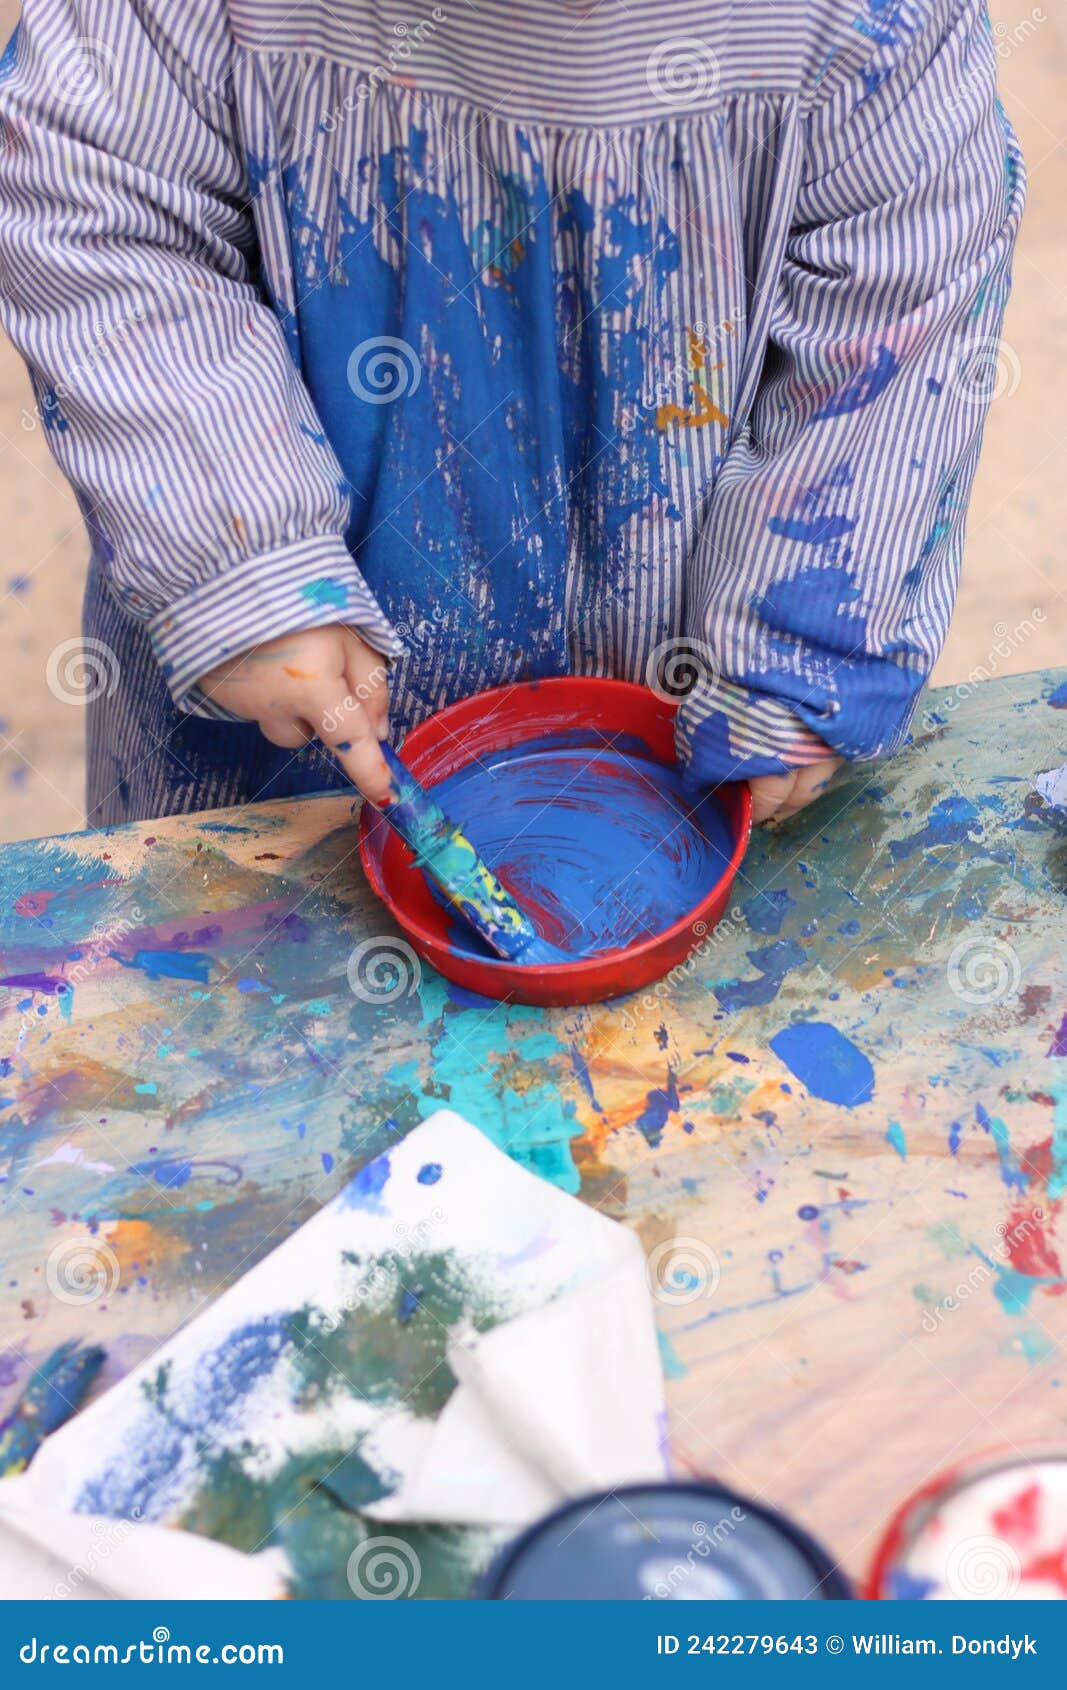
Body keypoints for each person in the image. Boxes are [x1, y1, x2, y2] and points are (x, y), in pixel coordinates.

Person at [0, 0, 1023, 827]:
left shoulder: (870, 23)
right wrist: (238, 563)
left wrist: (798, 648)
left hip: (679, 721)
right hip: (284, 710)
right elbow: (100, 203)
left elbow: (898, 313)